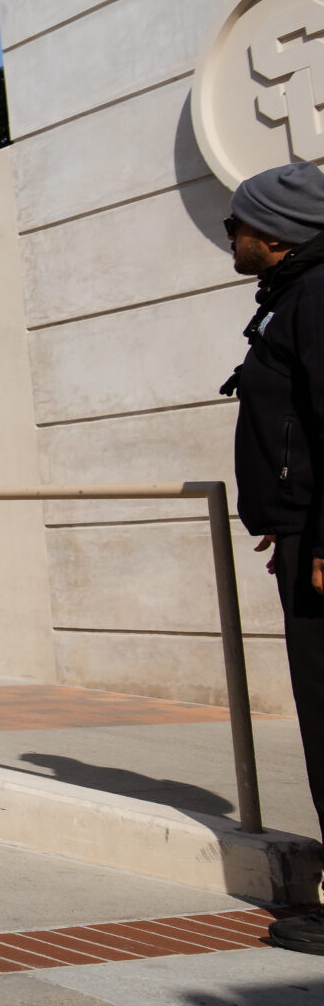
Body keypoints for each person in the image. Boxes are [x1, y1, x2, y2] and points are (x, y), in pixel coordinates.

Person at [221, 160, 324, 956]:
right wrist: (289, 516)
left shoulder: (316, 299)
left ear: (276, 233)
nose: (229, 236)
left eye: (236, 225)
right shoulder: (294, 298)